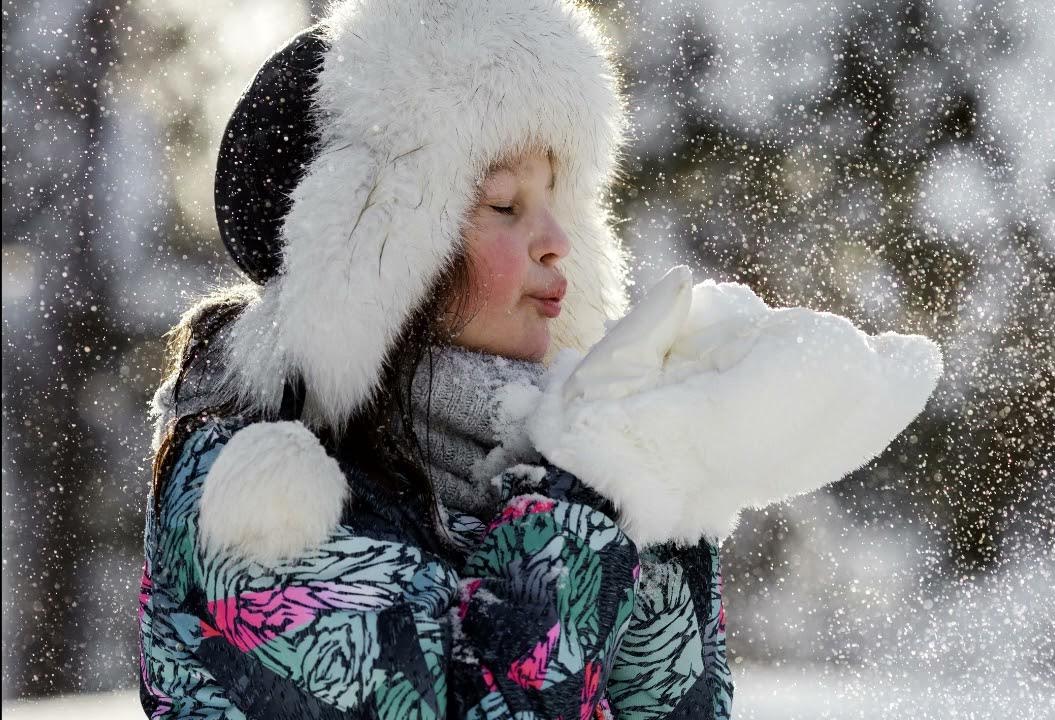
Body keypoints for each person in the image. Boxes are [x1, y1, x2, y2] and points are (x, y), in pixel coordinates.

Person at [138, 1, 942, 718]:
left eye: (562, 200)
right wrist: (589, 498)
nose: (557, 239)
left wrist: (668, 484)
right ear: (378, 251)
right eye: (504, 205)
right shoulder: (250, 490)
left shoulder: (545, 464)